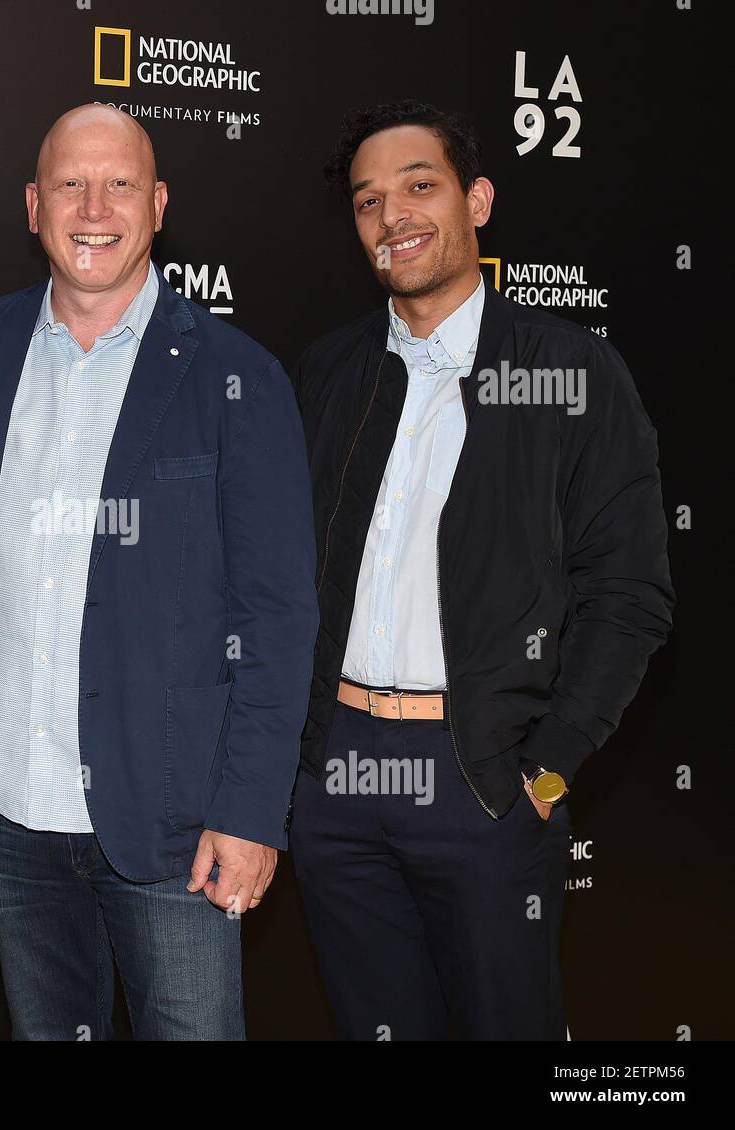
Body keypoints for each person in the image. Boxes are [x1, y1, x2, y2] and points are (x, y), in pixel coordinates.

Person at [0, 104, 317, 1040]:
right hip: (4, 806)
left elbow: (280, 614)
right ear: (32, 205)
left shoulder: (236, 375)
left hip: (172, 824)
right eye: (69, 184)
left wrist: (252, 809)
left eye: (120, 183)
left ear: (159, 203)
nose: (95, 206)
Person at [290, 100, 674, 1039]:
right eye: (369, 200)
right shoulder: (329, 372)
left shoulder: (568, 373)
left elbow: (628, 597)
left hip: (480, 776)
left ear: (480, 199)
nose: (395, 217)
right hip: (335, 779)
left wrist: (546, 769)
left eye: (420, 186)